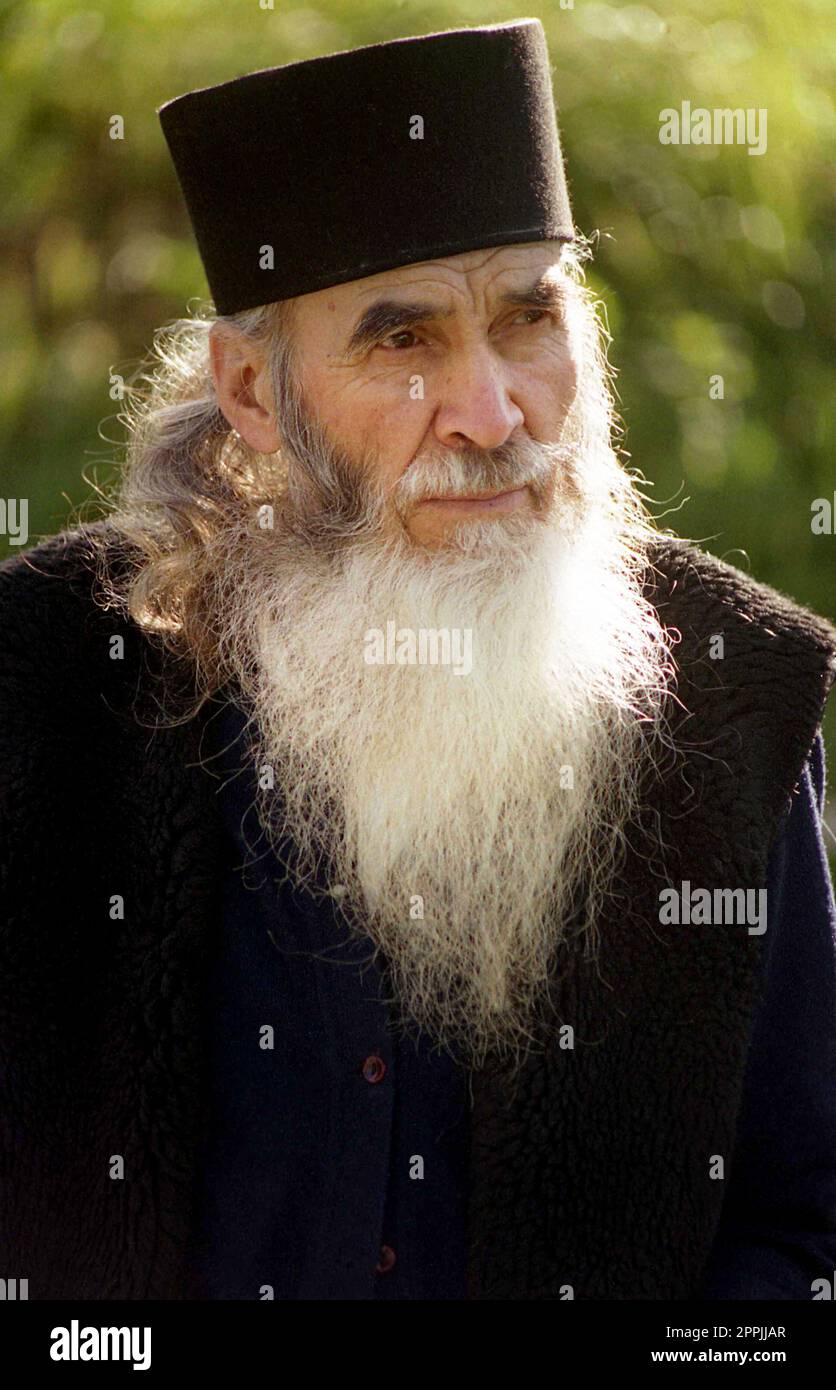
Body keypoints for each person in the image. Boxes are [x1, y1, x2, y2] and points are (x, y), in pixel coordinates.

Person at [1, 18, 834, 1301]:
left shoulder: (736, 690)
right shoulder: (43, 677)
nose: (494, 414)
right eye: (403, 343)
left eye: (526, 319)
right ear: (249, 396)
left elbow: (801, 1229)